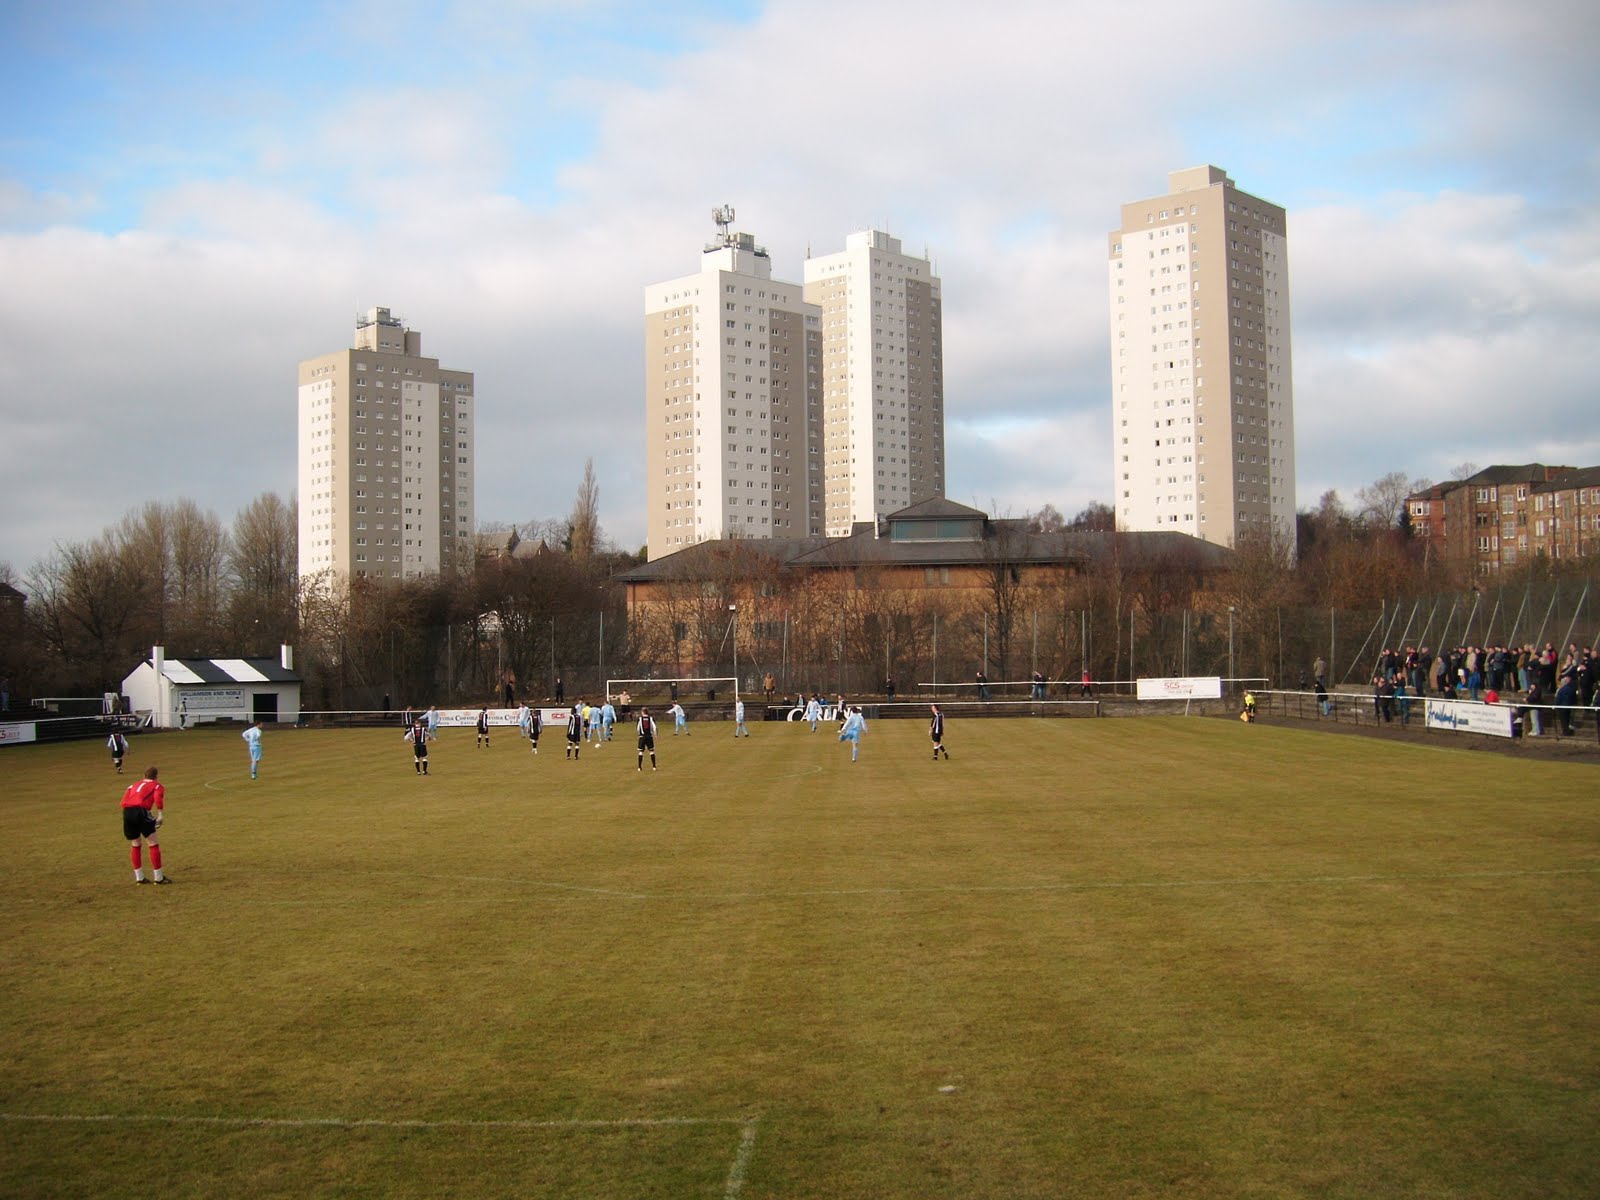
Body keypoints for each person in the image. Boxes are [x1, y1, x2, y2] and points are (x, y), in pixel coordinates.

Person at [121, 766, 169, 884]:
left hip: (127, 811)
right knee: (153, 843)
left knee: (135, 843)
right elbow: (158, 798)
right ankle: (158, 878)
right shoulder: (157, 785)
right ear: (156, 777)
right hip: (140, 811)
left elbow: (123, 801)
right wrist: (160, 815)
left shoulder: (133, 785)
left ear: (144, 776)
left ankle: (139, 877)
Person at [636, 707, 658, 772]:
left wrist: (638, 734)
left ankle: (639, 767)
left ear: (643, 712)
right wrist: (655, 734)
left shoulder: (640, 719)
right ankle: (654, 766)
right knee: (651, 751)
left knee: (641, 752)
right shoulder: (651, 718)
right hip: (649, 736)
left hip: (642, 737)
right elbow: (654, 727)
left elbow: (638, 728)